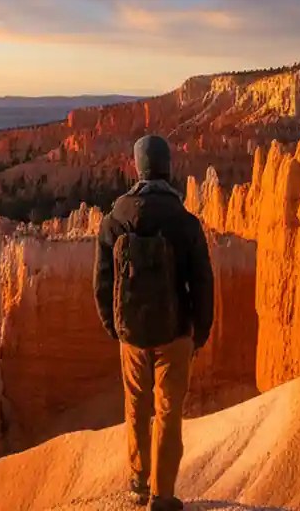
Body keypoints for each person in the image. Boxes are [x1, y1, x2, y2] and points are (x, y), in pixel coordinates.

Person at [94, 134, 215, 511]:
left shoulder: (114, 220)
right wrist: (200, 330)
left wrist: (114, 326)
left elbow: (101, 280)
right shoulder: (185, 222)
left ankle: (138, 481)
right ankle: (162, 496)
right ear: (168, 168)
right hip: (175, 332)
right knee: (167, 411)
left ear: (137, 168)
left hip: (131, 333)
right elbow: (203, 281)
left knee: (136, 406)